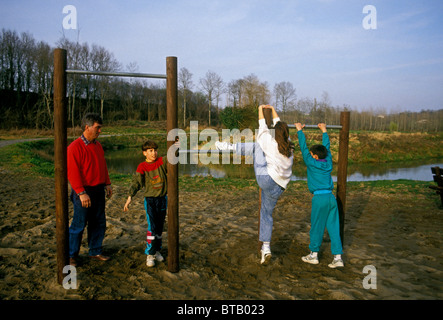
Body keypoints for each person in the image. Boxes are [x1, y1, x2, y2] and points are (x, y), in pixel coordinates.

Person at [216, 105, 294, 264]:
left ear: (276, 133)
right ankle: (266, 248)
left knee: (258, 146)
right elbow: (280, 125)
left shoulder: (269, 142)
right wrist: (272, 110)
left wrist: (261, 108)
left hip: (265, 179)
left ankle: (229, 147)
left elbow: (262, 125)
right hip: (280, 187)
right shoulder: (289, 145)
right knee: (266, 214)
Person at [294, 122, 344, 268]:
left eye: (311, 154)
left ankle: (313, 255)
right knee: (334, 227)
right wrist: (324, 131)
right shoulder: (328, 162)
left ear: (315, 156)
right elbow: (326, 149)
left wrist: (299, 131)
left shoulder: (311, 163)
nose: (308, 155)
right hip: (331, 198)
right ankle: (338, 257)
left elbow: (303, 148)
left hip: (319, 199)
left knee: (316, 226)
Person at [67, 113, 113, 267]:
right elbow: (72, 173)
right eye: (97, 128)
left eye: (100, 128)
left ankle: (95, 251)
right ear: (87, 127)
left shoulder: (98, 146)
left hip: (98, 189)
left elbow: (102, 165)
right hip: (84, 192)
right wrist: (81, 193)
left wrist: (107, 183)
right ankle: (71, 255)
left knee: (99, 222)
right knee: (79, 224)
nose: (100, 131)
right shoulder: (74, 147)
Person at [123, 140, 168, 268]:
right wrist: (130, 196)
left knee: (160, 227)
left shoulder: (161, 162)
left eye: (155, 150)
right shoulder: (142, 166)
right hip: (150, 200)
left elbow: (172, 156)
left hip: (162, 199)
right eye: (150, 151)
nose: (154, 153)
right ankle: (150, 253)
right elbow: (136, 182)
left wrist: (176, 144)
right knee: (152, 228)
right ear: (144, 153)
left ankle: (157, 250)